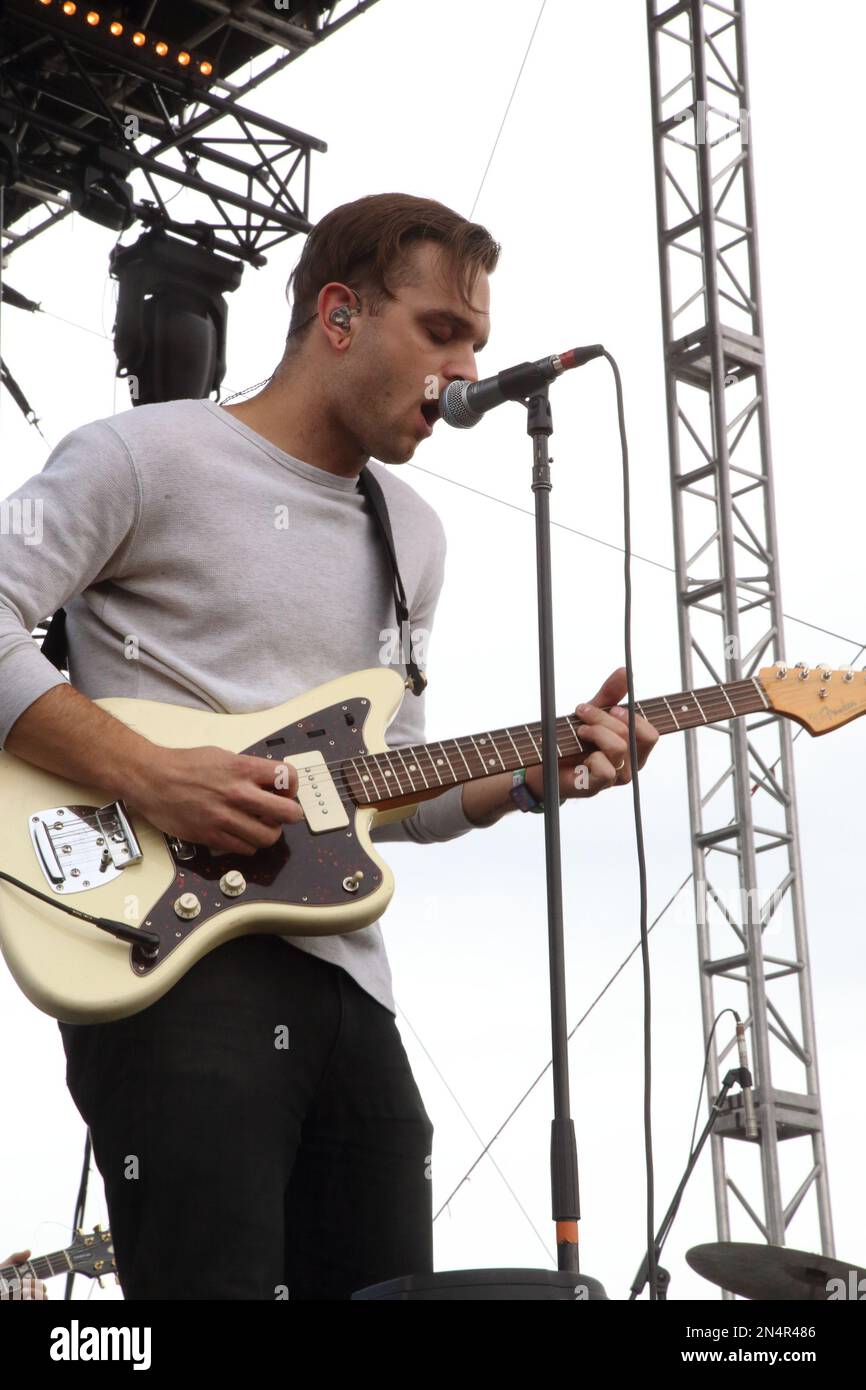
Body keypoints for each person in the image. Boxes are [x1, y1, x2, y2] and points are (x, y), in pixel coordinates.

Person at [0, 192, 659, 1299]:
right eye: (439, 331)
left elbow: (389, 782)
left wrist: (535, 779)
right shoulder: (141, 455)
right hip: (168, 956)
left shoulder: (412, 534)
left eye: (476, 343)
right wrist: (153, 772)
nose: (459, 370)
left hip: (350, 983)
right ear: (339, 315)